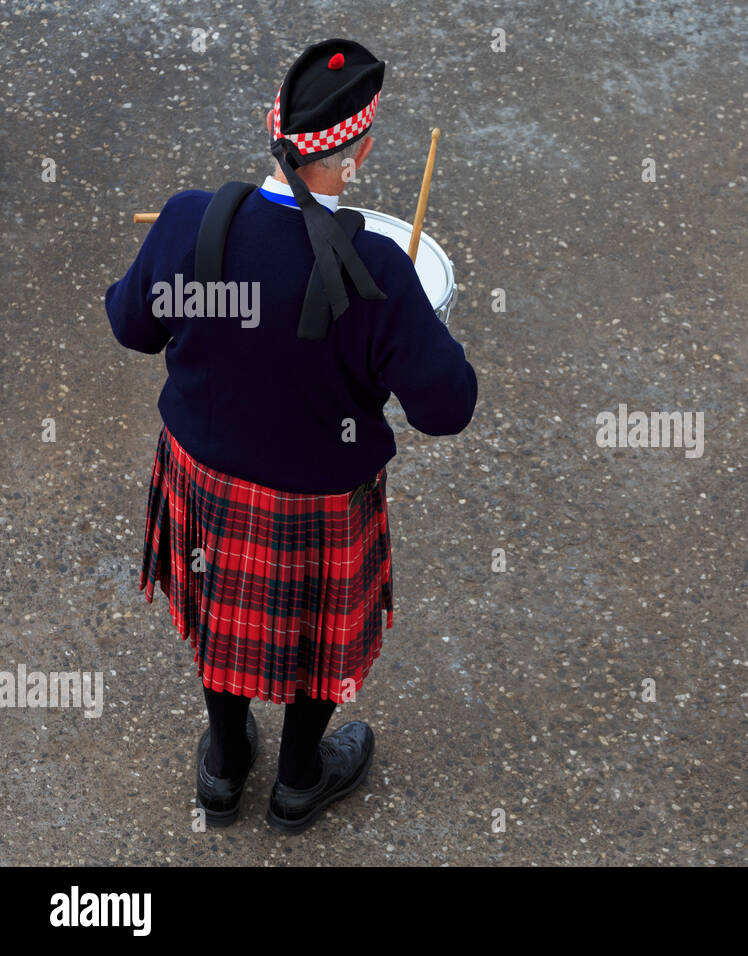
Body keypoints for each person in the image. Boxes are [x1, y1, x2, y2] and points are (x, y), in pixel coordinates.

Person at [105, 39, 477, 831]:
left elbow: (130, 325)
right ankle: (300, 777)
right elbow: (447, 408)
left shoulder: (188, 220)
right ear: (361, 149)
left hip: (203, 476)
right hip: (317, 500)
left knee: (218, 609)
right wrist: (426, 328)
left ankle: (225, 761)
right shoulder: (378, 267)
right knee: (316, 634)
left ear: (273, 130)